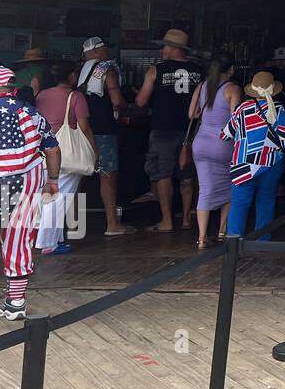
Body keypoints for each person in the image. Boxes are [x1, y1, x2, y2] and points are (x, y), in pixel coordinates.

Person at [0, 67, 60, 320]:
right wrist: (53, 180)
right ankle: (15, 301)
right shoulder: (32, 112)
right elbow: (52, 149)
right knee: (18, 236)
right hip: (30, 177)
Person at [134, 28, 202, 233]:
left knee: (162, 174)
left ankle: (166, 221)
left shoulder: (156, 70)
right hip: (190, 130)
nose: (162, 50)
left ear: (174, 48)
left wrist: (139, 96)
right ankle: (187, 219)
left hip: (163, 129)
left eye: (164, 46)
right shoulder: (199, 71)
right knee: (187, 174)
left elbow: (141, 101)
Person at [220, 71, 285, 240]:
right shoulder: (277, 109)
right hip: (271, 162)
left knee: (239, 203)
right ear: (273, 90)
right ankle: (262, 240)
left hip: (242, 163)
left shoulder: (241, 108)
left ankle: (233, 242)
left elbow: (226, 134)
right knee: (266, 200)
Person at [35, 61, 95, 256]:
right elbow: (84, 127)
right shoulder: (75, 96)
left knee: (47, 197)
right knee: (59, 198)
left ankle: (56, 239)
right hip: (65, 154)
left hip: (43, 151)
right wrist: (94, 151)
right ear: (71, 76)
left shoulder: (41, 95)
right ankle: (48, 243)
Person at [77, 37, 132, 235]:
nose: (106, 51)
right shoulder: (107, 70)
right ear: (97, 50)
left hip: (83, 130)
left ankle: (74, 225)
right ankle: (112, 224)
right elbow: (116, 101)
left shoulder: (79, 73)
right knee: (108, 175)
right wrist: (127, 107)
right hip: (104, 130)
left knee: (78, 176)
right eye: (104, 48)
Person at [189, 52, 241, 249]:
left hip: (200, 143)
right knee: (229, 186)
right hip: (222, 142)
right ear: (232, 70)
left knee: (205, 189)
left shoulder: (202, 87)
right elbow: (235, 119)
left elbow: (192, 114)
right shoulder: (233, 89)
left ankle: (201, 237)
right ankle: (222, 229)